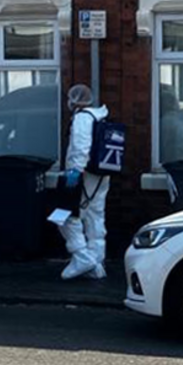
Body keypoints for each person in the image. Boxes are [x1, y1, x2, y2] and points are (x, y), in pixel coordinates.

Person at [59, 84, 111, 280]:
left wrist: (74, 172)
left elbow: (81, 147)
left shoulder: (82, 118)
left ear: (75, 100)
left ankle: (82, 257)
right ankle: (96, 264)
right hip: (101, 175)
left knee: (65, 215)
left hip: (83, 175)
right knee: (95, 217)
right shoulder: (100, 116)